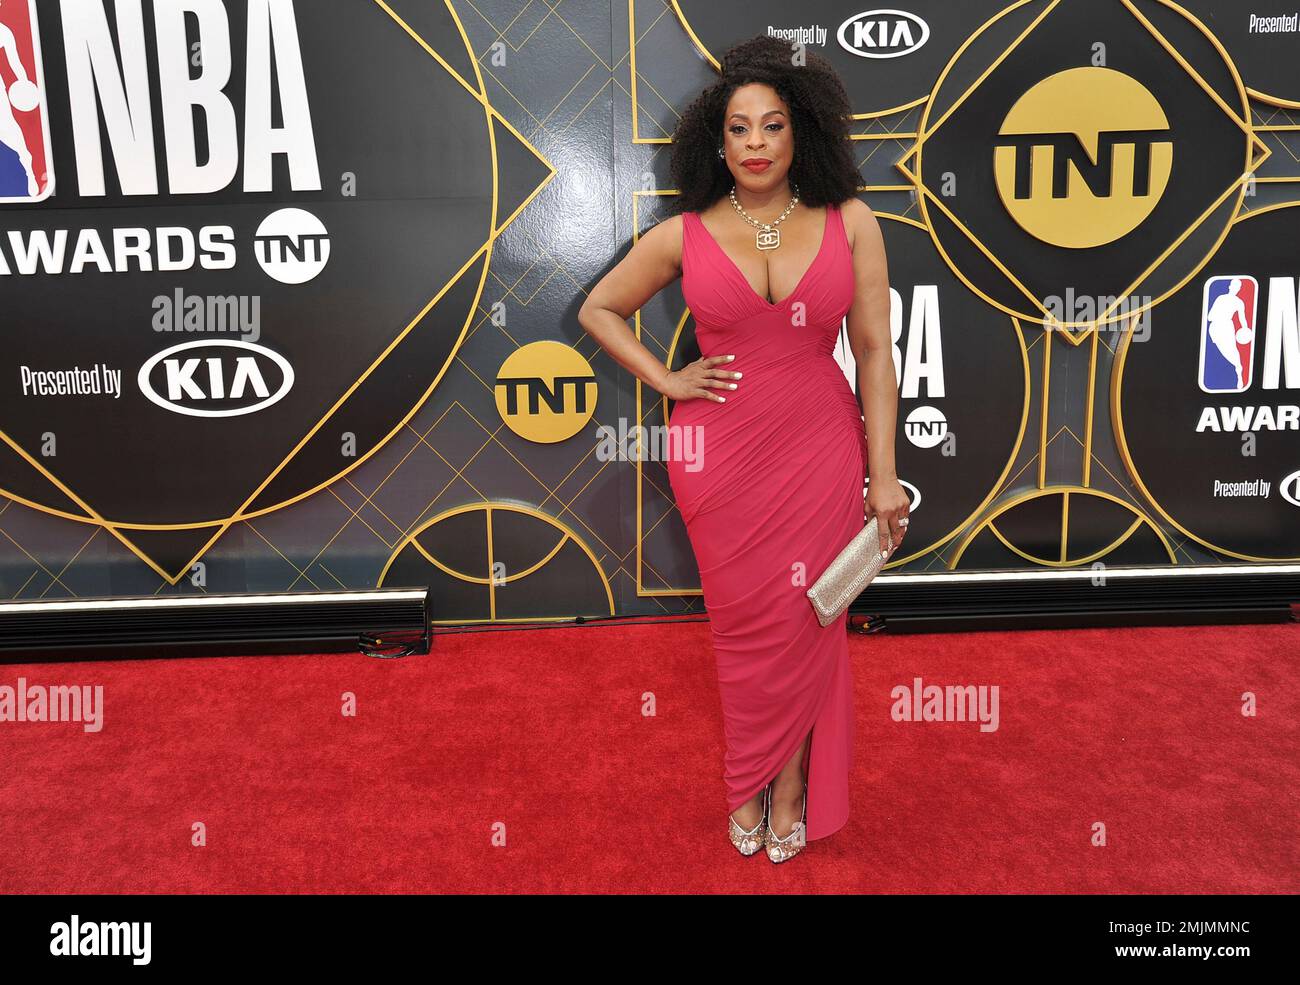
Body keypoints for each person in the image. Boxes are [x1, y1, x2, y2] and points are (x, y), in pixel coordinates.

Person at [578, 36, 908, 863]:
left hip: (822, 452)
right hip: (718, 459)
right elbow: (599, 310)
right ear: (716, 143)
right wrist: (668, 379)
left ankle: (787, 786)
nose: (755, 142)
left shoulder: (851, 221)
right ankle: (745, 780)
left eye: (771, 125)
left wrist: (885, 477)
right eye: (738, 128)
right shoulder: (686, 233)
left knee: (810, 622)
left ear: (802, 135)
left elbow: (874, 353)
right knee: (743, 632)